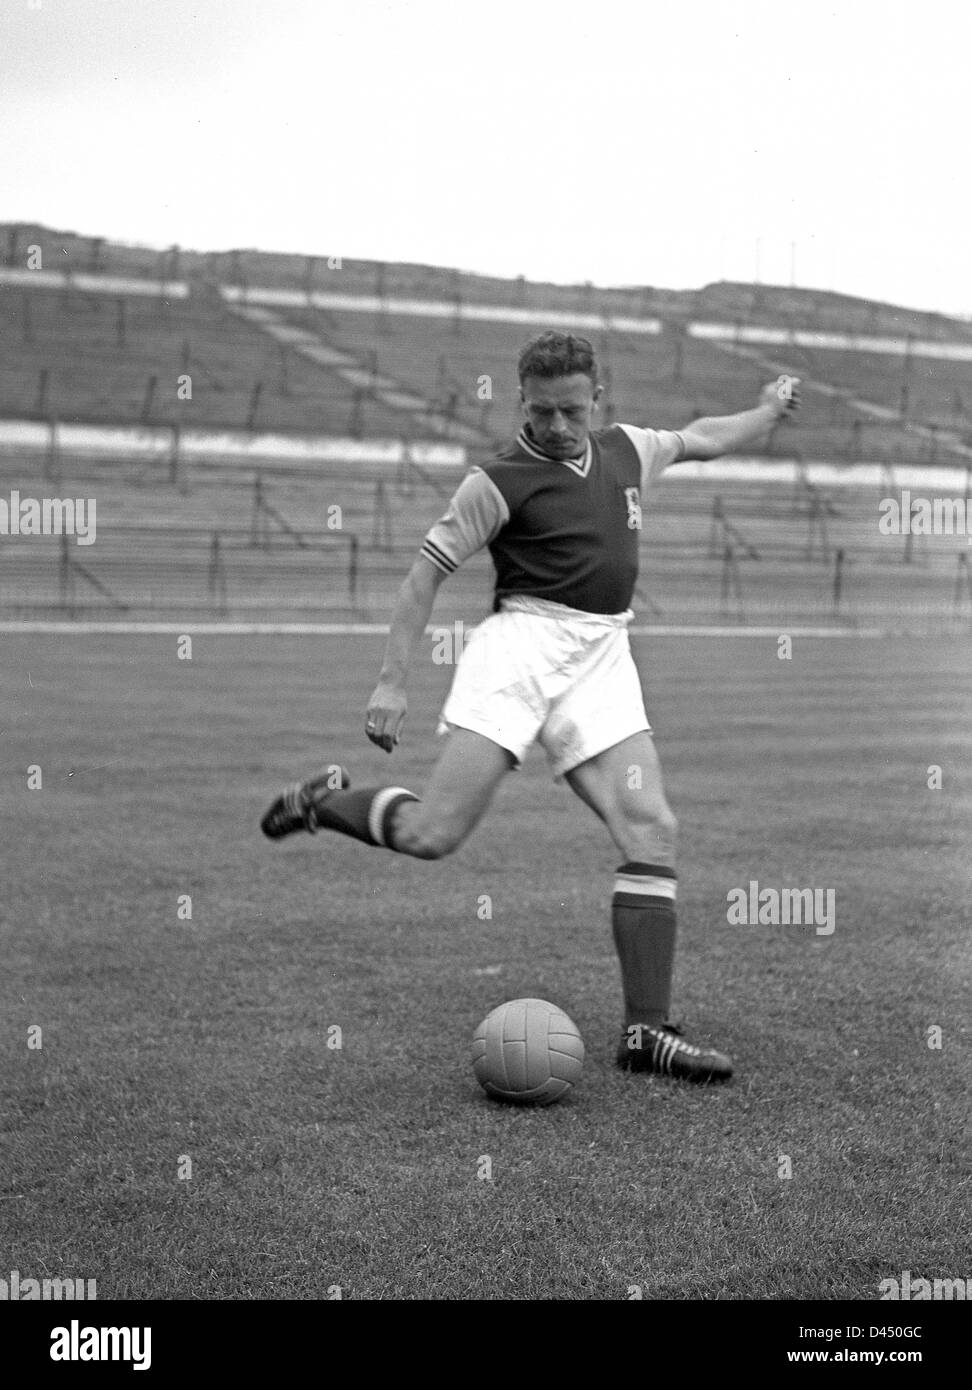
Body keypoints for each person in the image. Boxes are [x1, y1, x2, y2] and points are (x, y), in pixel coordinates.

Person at [262, 331, 800, 1083]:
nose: (556, 425)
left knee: (652, 827)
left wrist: (767, 412)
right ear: (521, 400)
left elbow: (705, 438)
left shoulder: (628, 449)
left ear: (596, 399)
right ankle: (325, 805)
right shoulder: (497, 481)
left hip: (604, 656)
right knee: (430, 834)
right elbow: (423, 577)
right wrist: (391, 680)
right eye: (542, 411)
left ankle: (647, 1034)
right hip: (519, 651)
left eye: (571, 410)